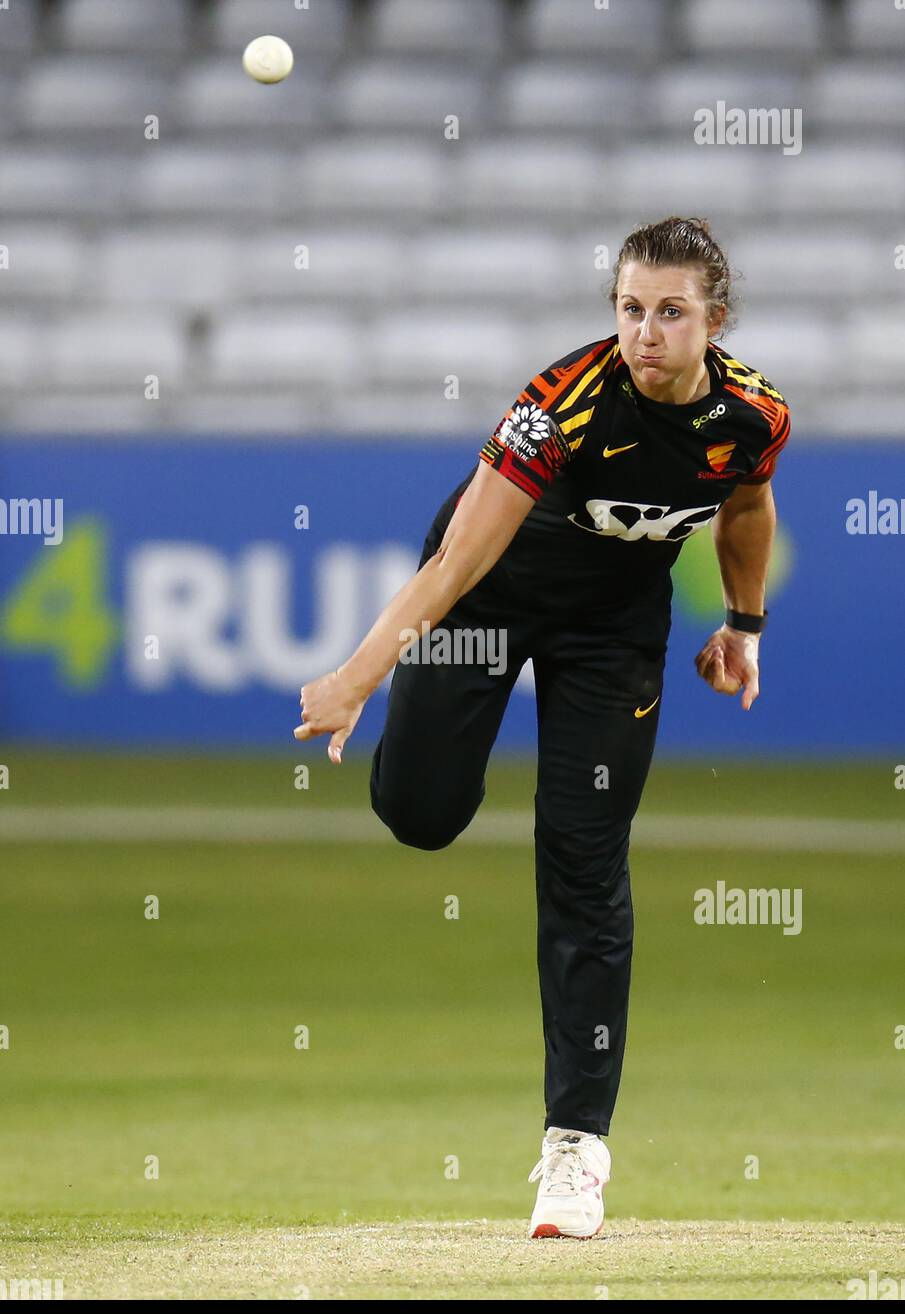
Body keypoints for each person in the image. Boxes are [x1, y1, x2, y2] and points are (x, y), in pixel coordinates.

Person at [294, 215, 791, 1239]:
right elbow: (454, 567)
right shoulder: (559, 408)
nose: (645, 331)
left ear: (715, 319)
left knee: (585, 855)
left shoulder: (754, 414)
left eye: (670, 312)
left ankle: (576, 1146)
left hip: (613, 634)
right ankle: (419, 752)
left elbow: (746, 508)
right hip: (485, 607)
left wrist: (743, 624)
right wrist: (356, 674)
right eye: (629, 308)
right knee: (421, 813)